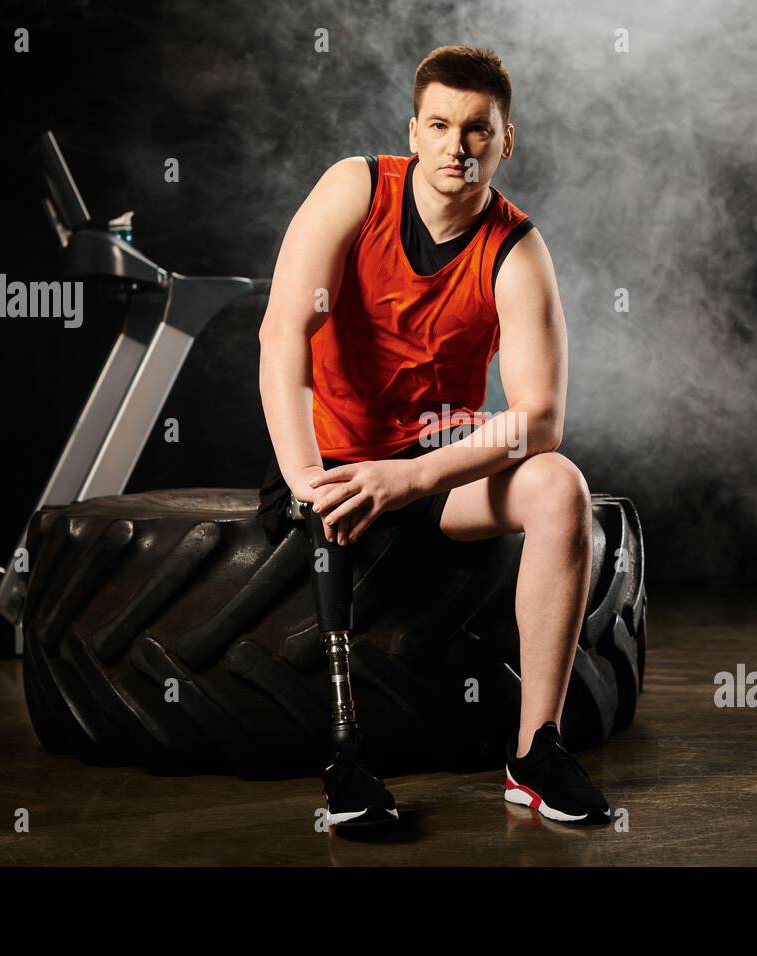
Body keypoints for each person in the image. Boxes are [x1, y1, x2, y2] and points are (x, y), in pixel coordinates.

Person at [257, 44, 610, 826]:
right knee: (329, 463)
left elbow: (540, 420)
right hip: (331, 461)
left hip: (434, 473)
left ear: (505, 142)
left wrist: (411, 479)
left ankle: (536, 752)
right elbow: (283, 336)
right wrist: (305, 478)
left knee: (561, 486)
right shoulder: (354, 189)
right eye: (442, 125)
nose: (459, 146)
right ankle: (346, 760)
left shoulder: (516, 250)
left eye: (479, 130)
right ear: (413, 131)